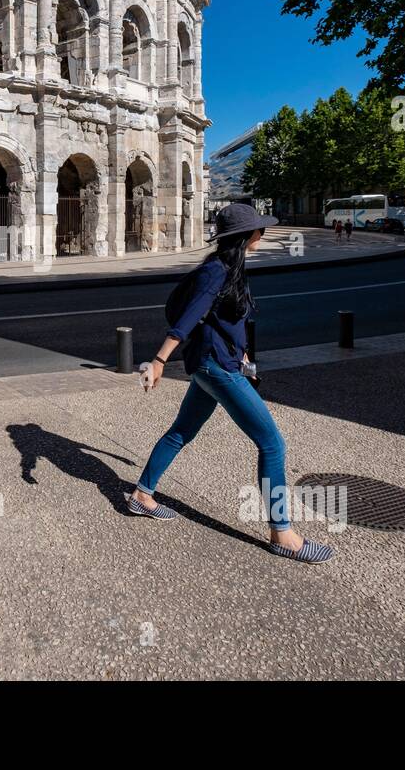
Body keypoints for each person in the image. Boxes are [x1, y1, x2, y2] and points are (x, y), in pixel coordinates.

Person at [127, 203, 334, 564]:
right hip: (215, 368)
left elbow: (226, 322)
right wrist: (159, 361)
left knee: (180, 432)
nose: (262, 234)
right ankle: (283, 533)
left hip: (217, 363)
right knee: (272, 444)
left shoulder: (230, 268)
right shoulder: (216, 271)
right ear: (246, 236)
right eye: (259, 230)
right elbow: (189, 319)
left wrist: (245, 357)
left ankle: (142, 494)